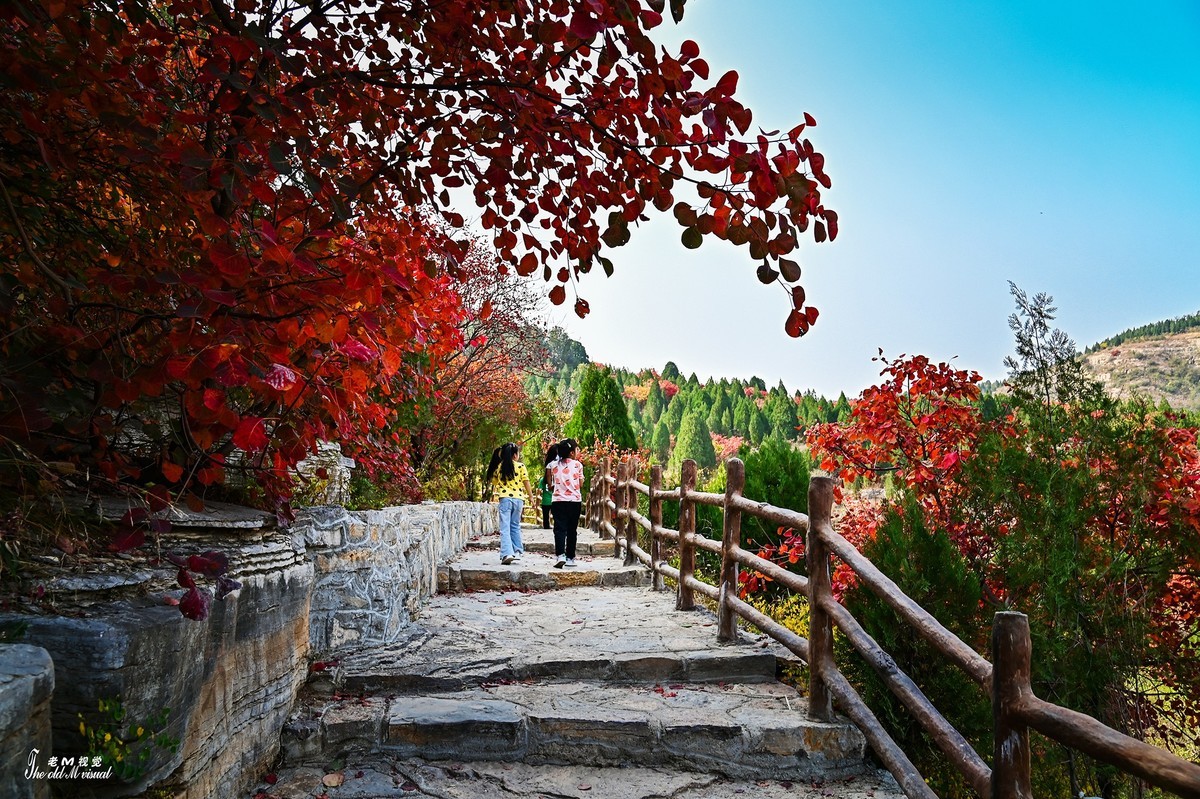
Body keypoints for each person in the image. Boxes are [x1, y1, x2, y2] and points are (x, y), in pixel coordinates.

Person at [485, 442, 533, 565]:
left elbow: (495, 482)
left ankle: (507, 553)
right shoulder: (521, 466)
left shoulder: (499, 467)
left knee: (505, 527)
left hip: (505, 499)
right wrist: (531, 498)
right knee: (515, 526)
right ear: (515, 455)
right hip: (519, 500)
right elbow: (526, 482)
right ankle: (516, 551)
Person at [547, 438, 583, 568]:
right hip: (574, 501)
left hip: (558, 501)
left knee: (559, 529)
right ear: (572, 453)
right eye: (576, 449)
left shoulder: (553, 465)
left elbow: (549, 483)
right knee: (572, 530)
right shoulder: (578, 465)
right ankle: (570, 558)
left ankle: (560, 555)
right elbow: (580, 484)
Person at [536, 449, 554, 530]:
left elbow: (539, 490)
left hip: (545, 501)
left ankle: (546, 526)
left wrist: (537, 502)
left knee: (545, 515)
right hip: (554, 500)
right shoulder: (554, 479)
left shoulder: (542, 480)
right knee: (556, 515)